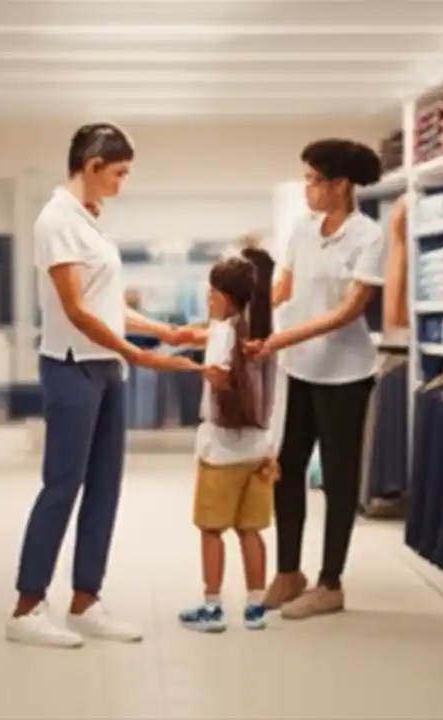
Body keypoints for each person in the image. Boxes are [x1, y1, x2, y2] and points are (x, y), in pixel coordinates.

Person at [7, 122, 203, 648]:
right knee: (62, 486)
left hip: (105, 366)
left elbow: (106, 304)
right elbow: (74, 309)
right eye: (118, 172)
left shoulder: (91, 222)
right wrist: (137, 354)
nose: (122, 182)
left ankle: (85, 600)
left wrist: (166, 331)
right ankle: (26, 608)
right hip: (72, 367)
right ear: (92, 165)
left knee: (106, 486)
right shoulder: (56, 221)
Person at [246, 138, 385, 620]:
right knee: (286, 468)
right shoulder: (303, 231)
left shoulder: (369, 236)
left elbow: (349, 311)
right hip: (299, 369)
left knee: (340, 479)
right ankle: (288, 572)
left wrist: (282, 339)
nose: (307, 187)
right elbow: (283, 288)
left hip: (345, 374)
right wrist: (252, 320)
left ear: (340, 185)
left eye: (313, 179)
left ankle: (331, 582)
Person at [177, 249, 279, 633]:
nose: (208, 300)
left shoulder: (223, 331)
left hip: (219, 449)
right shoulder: (266, 336)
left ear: (224, 297)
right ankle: (255, 606)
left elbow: (218, 377)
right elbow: (276, 396)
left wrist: (199, 369)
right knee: (250, 530)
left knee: (211, 529)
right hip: (258, 450)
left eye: (211, 293)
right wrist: (274, 449)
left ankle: (213, 605)